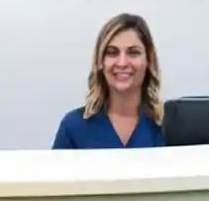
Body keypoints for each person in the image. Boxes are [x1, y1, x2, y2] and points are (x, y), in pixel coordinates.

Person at [52, 12, 164, 149]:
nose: (122, 63)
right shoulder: (74, 127)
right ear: (100, 62)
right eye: (112, 52)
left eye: (133, 52)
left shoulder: (168, 127)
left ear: (148, 60)